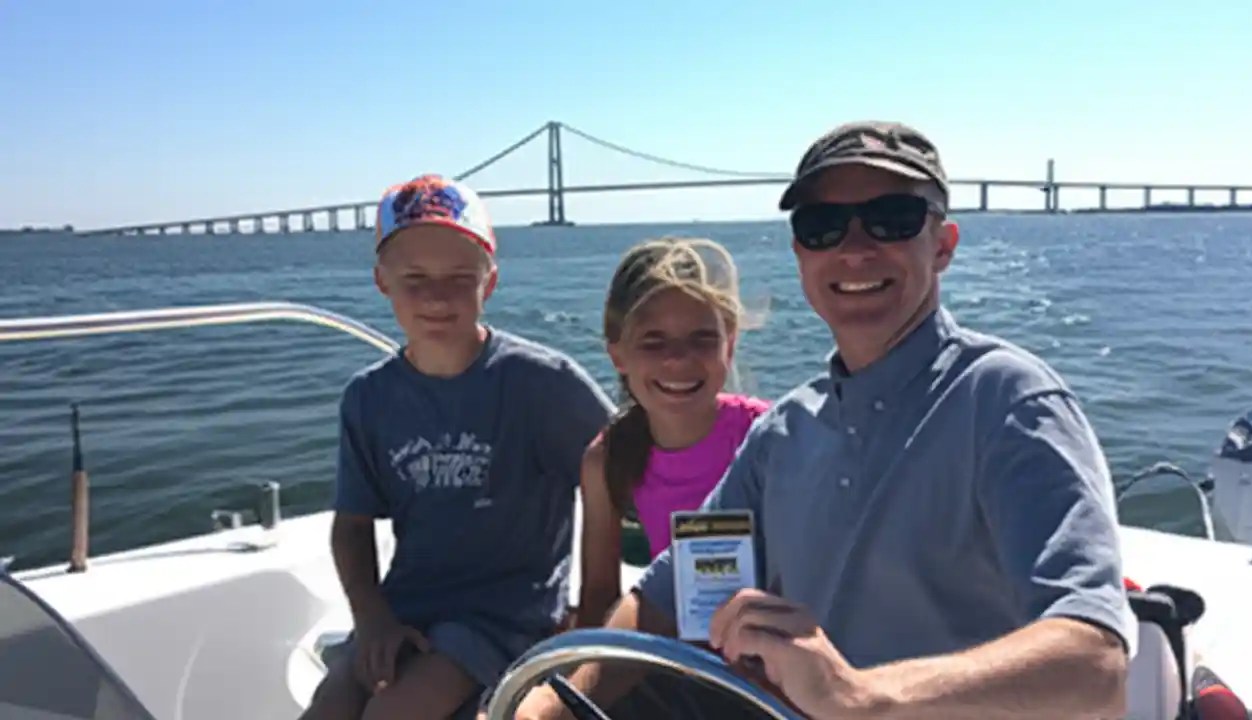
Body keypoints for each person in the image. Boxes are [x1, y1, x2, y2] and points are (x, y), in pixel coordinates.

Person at [513, 121, 1138, 720]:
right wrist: (547, 703)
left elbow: (1095, 662)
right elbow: (663, 599)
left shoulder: (1007, 401)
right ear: (800, 254)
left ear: (942, 244)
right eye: (823, 226)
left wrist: (862, 697)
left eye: (892, 219)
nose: (855, 249)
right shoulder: (782, 433)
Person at [299, 174, 615, 720]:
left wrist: (592, 608)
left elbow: (623, 473)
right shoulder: (367, 398)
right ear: (381, 281)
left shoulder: (542, 383)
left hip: (508, 615)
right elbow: (351, 526)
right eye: (415, 278)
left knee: (392, 714)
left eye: (459, 277)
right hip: (408, 608)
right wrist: (372, 618)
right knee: (329, 707)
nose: (437, 297)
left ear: (488, 283)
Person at [575, 237, 770, 629]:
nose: (678, 358)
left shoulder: (766, 436)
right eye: (653, 341)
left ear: (729, 346)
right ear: (617, 355)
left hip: (771, 664)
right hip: (675, 665)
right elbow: (599, 594)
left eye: (702, 339)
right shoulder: (607, 460)